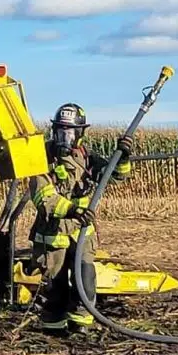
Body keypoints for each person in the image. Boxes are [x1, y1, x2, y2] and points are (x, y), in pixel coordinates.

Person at [27, 103, 133, 334]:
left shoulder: (86, 157)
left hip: (82, 232)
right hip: (52, 235)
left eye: (70, 132)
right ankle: (53, 328)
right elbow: (42, 197)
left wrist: (122, 157)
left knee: (85, 279)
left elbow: (113, 176)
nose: (65, 137)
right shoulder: (41, 159)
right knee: (54, 287)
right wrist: (72, 209)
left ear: (80, 134)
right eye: (61, 131)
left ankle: (81, 326)